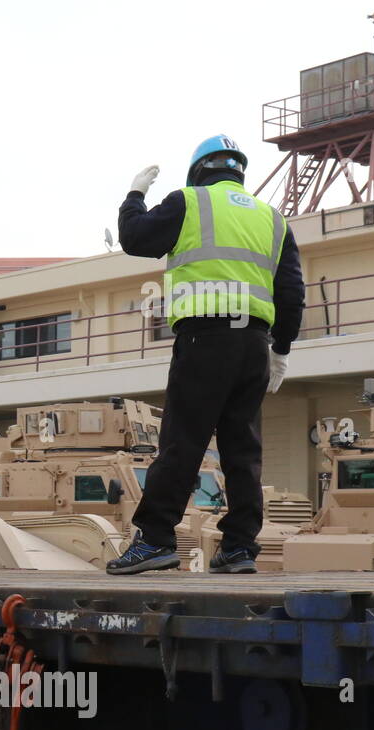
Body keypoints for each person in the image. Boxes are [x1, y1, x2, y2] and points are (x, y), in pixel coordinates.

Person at [107, 135, 305, 575]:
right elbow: (291, 292)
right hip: (255, 345)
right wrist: (282, 350)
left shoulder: (189, 203)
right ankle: (238, 549)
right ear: (239, 172)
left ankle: (155, 540)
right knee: (243, 450)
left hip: (204, 338)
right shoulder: (273, 219)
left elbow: (135, 238)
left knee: (182, 442)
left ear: (199, 170)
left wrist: (135, 195)